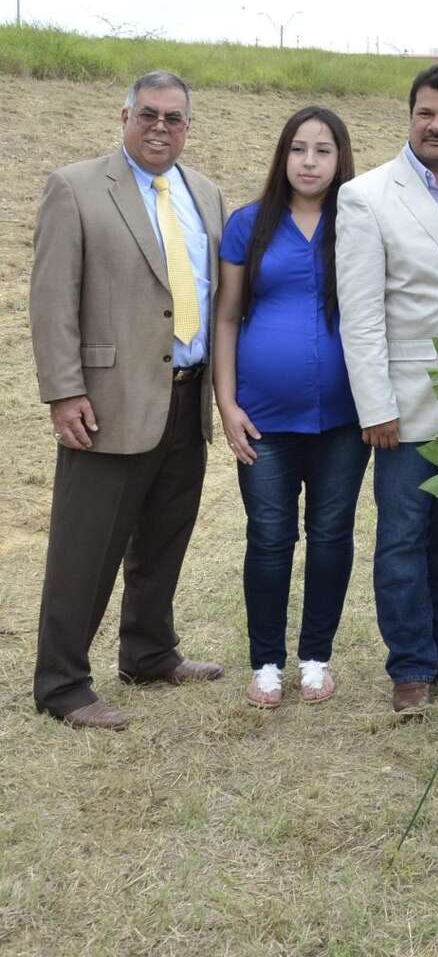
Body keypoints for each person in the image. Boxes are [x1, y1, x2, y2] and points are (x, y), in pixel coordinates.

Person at [29, 72, 226, 729]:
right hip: (106, 402)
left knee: (164, 538)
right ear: (124, 116)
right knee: (84, 549)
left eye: (174, 117)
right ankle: (62, 683)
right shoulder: (76, 187)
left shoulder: (206, 194)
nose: (160, 126)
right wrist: (63, 391)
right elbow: (52, 299)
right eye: (148, 114)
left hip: (186, 396)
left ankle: (148, 650)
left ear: (188, 126)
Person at [336, 64, 438, 719]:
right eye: (425, 113)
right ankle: (409, 667)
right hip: (404, 406)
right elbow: (361, 310)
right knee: (403, 538)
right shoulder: (369, 195)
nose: (437, 125)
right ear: (410, 116)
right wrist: (375, 403)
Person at [215, 106, 366, 709]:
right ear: (283, 156)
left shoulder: (356, 222)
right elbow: (227, 317)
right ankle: (266, 664)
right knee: (270, 538)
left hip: (345, 420)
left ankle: (315, 658)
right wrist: (226, 404)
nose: (309, 161)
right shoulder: (248, 225)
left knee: (330, 535)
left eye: (323, 150)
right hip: (264, 418)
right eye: (298, 149)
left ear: (340, 159)